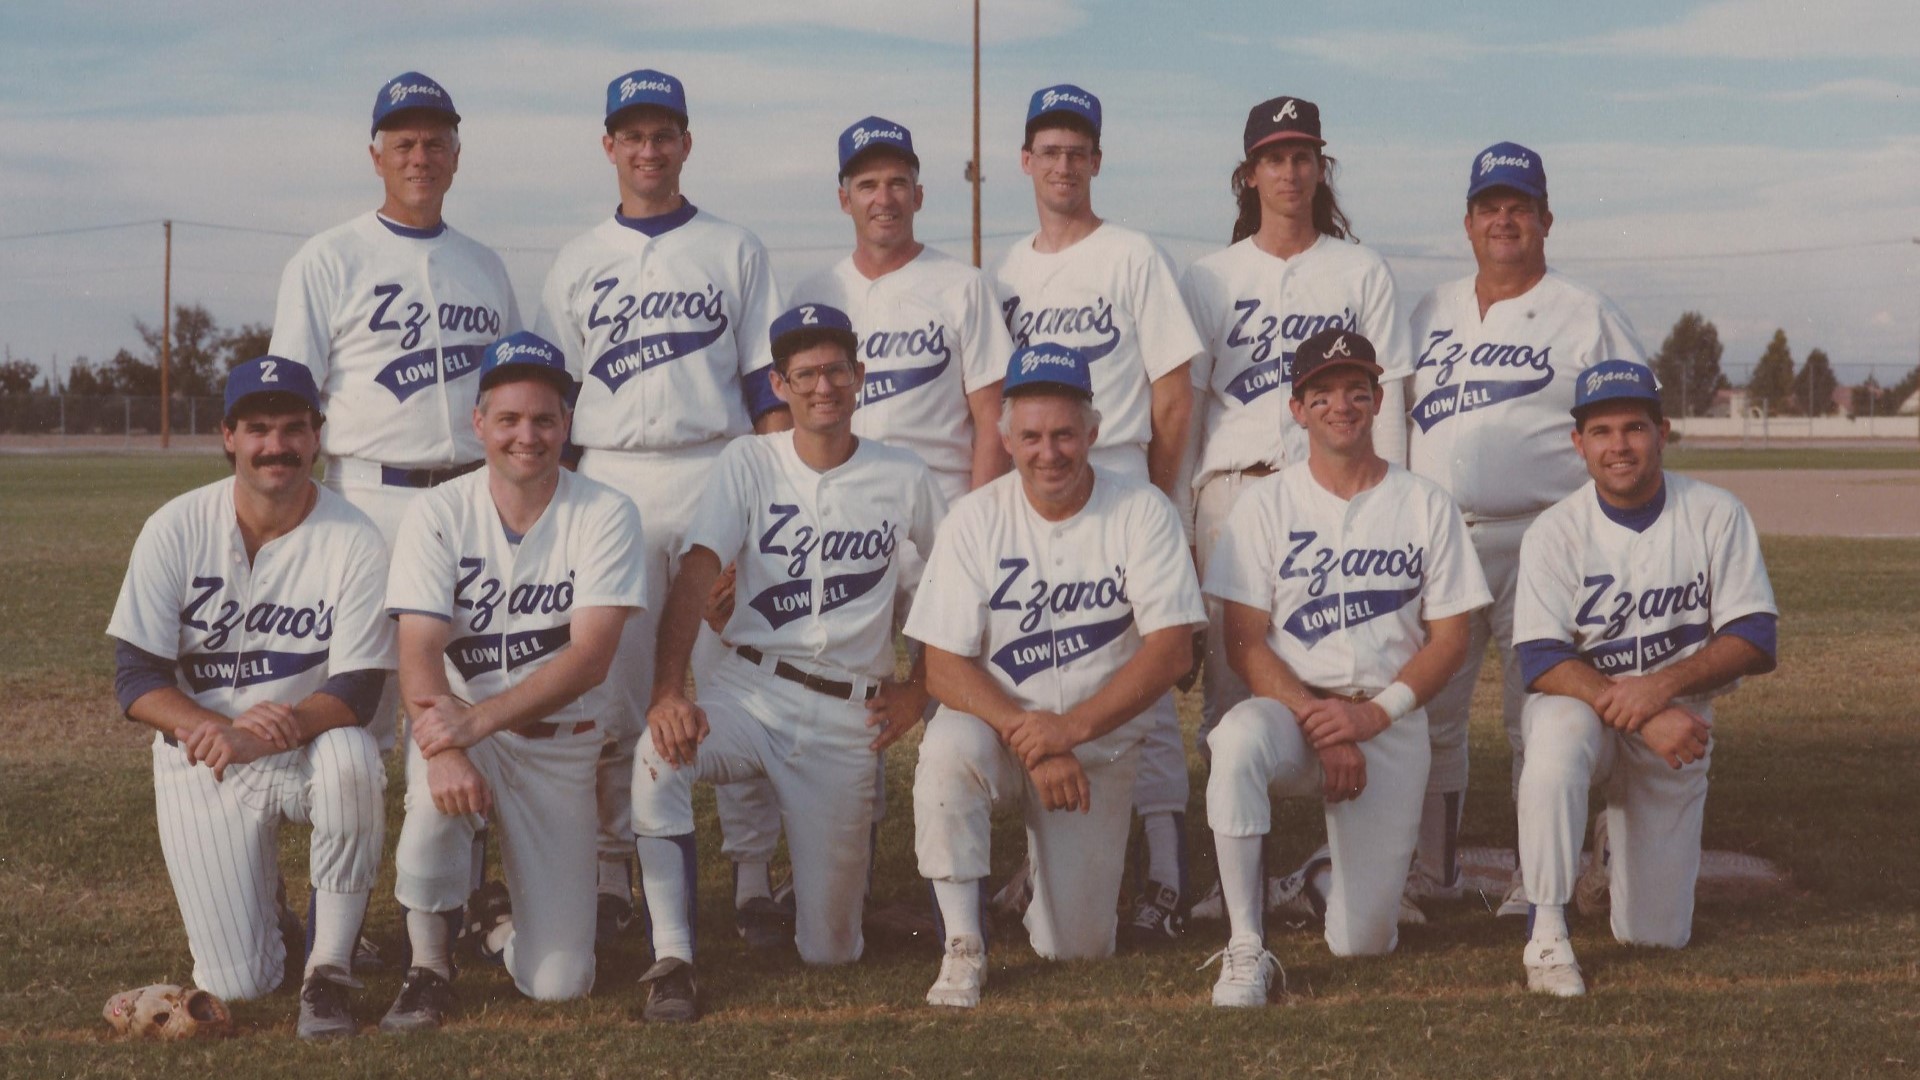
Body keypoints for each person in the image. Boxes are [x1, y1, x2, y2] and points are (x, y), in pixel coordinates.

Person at [632, 303, 946, 1022]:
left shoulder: (901, 472)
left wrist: (921, 688)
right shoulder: (748, 460)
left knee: (830, 951)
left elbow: (953, 573)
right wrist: (667, 692)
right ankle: (674, 956)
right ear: (779, 384)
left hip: (845, 710)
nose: (822, 386)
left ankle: (842, 903)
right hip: (749, 688)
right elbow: (697, 568)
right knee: (658, 753)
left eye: (836, 369)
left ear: (860, 377)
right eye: (804, 373)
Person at [534, 68, 788, 943]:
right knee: (610, 688)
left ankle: (753, 873)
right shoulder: (575, 260)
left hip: (716, 466)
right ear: (609, 146)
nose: (648, 149)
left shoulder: (734, 248)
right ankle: (612, 873)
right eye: (631, 134)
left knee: (735, 679)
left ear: (686, 141)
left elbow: (768, 389)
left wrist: (771, 503)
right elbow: (553, 409)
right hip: (609, 481)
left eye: (663, 133)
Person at [907, 343, 1206, 1007]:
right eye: (1033, 436)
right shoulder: (976, 517)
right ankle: (963, 944)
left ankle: (1041, 880)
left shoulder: (1142, 510)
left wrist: (1067, 731)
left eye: (1066, 434)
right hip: (1001, 730)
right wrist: (1031, 735)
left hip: (1095, 740)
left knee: (1077, 949)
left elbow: (1172, 652)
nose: (1050, 452)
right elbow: (940, 666)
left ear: (1095, 433)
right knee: (948, 750)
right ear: (1007, 438)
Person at [106, 357, 393, 1038]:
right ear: (228, 436)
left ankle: (329, 969)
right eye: (258, 428)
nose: (277, 446)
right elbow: (136, 677)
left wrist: (273, 728)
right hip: (202, 758)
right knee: (239, 982)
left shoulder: (353, 536)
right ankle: (278, 920)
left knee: (353, 759)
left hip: (306, 749)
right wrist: (214, 728)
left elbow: (358, 687)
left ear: (316, 436)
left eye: (294, 428)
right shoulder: (175, 527)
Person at [1199, 329, 1488, 1007]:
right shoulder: (1264, 505)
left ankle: (1321, 876)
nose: (1342, 405)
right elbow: (1243, 641)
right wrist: (1322, 722)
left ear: (1376, 399)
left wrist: (1369, 716)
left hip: (1386, 718)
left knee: (1362, 942)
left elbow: (1450, 639)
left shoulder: (1424, 501)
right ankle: (1246, 945)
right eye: (1322, 393)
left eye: (1357, 391)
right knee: (1235, 740)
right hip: (1294, 713)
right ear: (1298, 409)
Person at [1405, 142, 1648, 916]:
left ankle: (1537, 874)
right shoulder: (1428, 311)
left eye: (1519, 205)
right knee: (1431, 713)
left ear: (1546, 219)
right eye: (1489, 206)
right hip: (1441, 541)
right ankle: (1430, 871)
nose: (1503, 219)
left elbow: (1633, 430)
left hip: (1544, 538)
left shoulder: (1587, 312)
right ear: (1468, 222)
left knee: (1535, 714)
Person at [379, 333, 644, 1031]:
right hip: (462, 723)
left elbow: (590, 657)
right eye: (509, 420)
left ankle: (493, 925)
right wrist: (449, 746)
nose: (527, 435)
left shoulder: (607, 512)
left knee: (560, 983)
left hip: (559, 741)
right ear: (479, 423)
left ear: (567, 425)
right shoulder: (439, 512)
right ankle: (428, 965)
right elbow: (419, 650)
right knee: (435, 794)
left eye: (544, 419)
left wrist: (477, 721)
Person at [993, 83, 1206, 944]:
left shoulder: (1131, 254)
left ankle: (1163, 870)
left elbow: (1173, 391)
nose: (1064, 165)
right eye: (1050, 150)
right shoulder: (1005, 271)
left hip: (1115, 470)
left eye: (1079, 151)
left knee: (1143, 688)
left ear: (1097, 162)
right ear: (1026, 162)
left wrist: (1154, 494)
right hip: (1038, 479)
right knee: (1045, 663)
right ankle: (1047, 860)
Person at [268, 71, 519, 750]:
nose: (420, 158)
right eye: (404, 143)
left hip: (474, 498)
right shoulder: (327, 258)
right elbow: (289, 400)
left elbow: (515, 396)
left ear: (456, 157)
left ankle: (445, 854)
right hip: (369, 498)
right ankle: (356, 853)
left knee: (472, 696)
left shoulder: (484, 265)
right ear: (375, 155)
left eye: (435, 144)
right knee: (360, 705)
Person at [1512, 361, 1777, 996]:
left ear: (1663, 433)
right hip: (1589, 716)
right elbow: (1541, 660)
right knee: (1551, 743)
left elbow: (1756, 639)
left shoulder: (1715, 513)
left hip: (1676, 725)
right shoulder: (1555, 530)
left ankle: (1609, 857)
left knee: (1654, 935)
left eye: (1634, 427)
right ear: (1579, 445)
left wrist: (1659, 692)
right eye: (1600, 432)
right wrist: (1645, 708)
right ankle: (1546, 931)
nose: (1619, 446)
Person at [1180, 94, 1411, 764]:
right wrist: (1182, 521)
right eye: (1274, 158)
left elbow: (1386, 394)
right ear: (1250, 174)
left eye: (1302, 157)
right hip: (1234, 495)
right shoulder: (1209, 278)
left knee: (1349, 663)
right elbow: (1190, 409)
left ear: (1320, 167)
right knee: (1230, 689)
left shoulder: (1360, 269)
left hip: (1336, 496)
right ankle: (1236, 860)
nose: (1289, 172)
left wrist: (1388, 500)